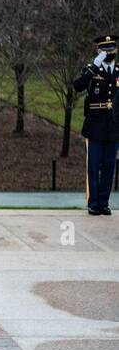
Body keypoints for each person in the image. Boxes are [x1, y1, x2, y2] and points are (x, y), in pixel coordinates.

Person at [74, 33, 118, 216]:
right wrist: (95, 66)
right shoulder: (92, 70)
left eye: (112, 48)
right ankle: (93, 203)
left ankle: (104, 202)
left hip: (114, 126)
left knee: (109, 167)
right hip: (95, 125)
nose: (109, 52)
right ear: (98, 51)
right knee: (93, 166)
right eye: (105, 49)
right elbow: (78, 86)